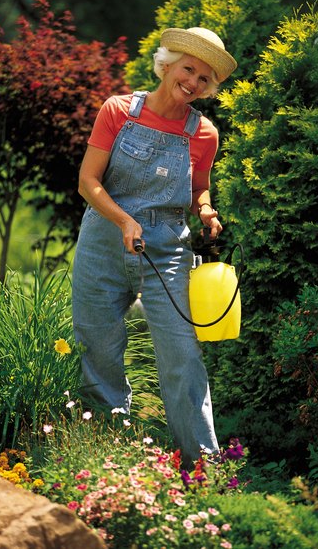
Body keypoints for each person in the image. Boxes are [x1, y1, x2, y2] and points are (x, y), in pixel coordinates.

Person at [72, 27, 237, 468]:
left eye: (205, 79)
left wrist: (206, 210)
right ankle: (107, 453)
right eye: (189, 69)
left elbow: (199, 190)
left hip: (165, 251)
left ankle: (203, 465)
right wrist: (124, 220)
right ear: (167, 64)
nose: (194, 82)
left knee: (182, 355)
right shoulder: (119, 111)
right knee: (99, 347)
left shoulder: (204, 134)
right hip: (103, 244)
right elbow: (88, 182)